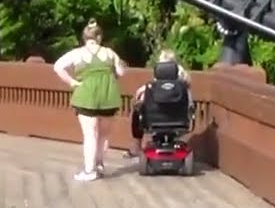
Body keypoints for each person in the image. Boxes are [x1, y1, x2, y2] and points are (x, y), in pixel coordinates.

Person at [53, 19, 127, 181]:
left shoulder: (77, 53)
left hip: (86, 96)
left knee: (90, 134)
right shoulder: (110, 53)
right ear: (99, 37)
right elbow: (121, 72)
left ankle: (89, 170)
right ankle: (99, 164)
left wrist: (72, 82)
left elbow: (57, 66)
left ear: (84, 38)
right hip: (108, 96)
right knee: (104, 135)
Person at [128, 49, 192, 157]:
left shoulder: (159, 77)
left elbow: (149, 94)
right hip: (179, 117)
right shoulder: (184, 80)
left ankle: (136, 145)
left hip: (156, 117)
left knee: (137, 111)